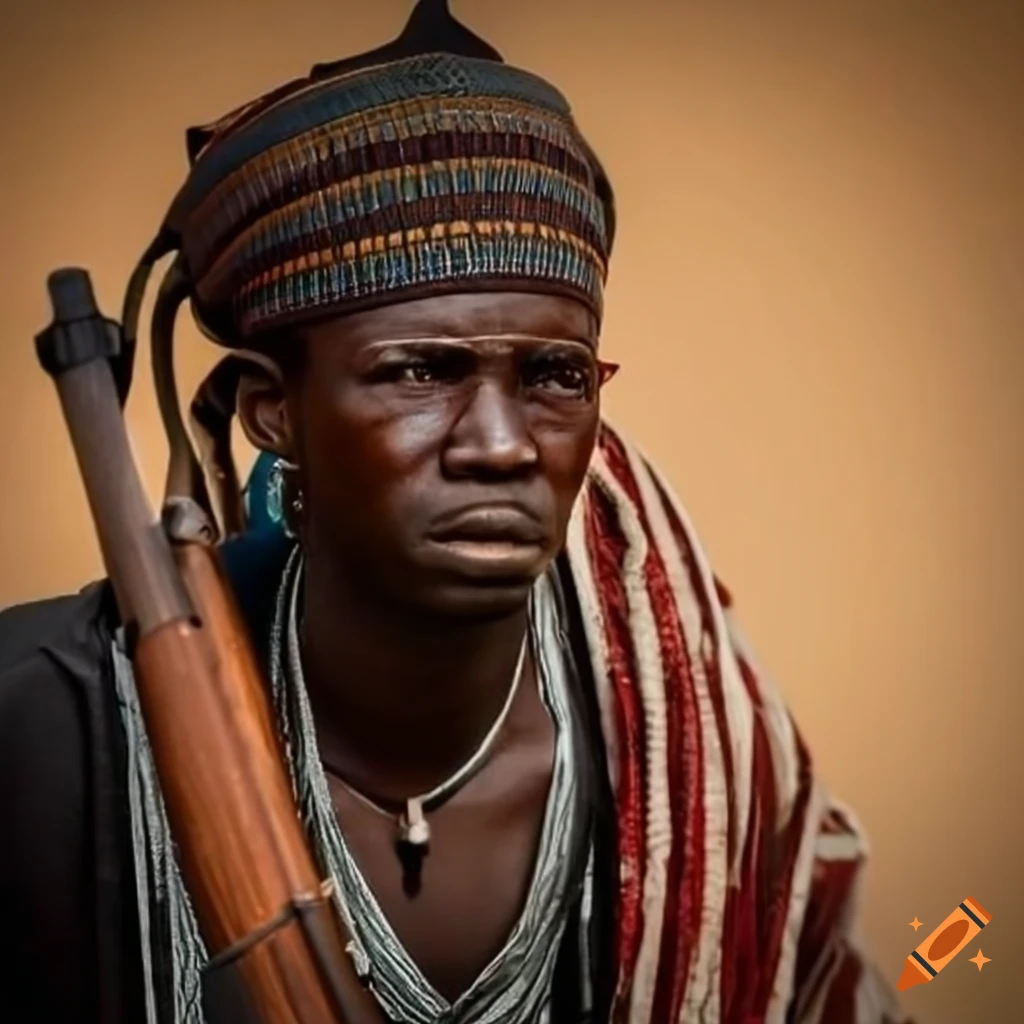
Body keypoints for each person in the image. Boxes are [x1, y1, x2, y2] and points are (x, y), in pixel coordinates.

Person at [0, 2, 912, 1022]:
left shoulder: (700, 752)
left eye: (555, 374)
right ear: (272, 411)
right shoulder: (39, 728)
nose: (502, 443)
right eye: (420, 372)